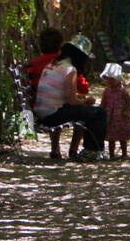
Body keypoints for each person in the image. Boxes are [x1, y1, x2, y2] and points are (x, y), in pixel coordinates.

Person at [33, 36, 106, 160]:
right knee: (99, 113)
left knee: (87, 111)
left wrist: (79, 99)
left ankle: (88, 149)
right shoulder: (70, 69)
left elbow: (62, 94)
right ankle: (92, 150)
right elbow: (72, 101)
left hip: (42, 112)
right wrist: (86, 101)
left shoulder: (53, 65)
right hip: (53, 115)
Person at [26, 28, 89, 159]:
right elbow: (82, 87)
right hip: (55, 106)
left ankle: (55, 148)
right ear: (61, 44)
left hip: (38, 105)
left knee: (60, 102)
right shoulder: (61, 63)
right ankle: (74, 149)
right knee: (82, 108)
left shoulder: (33, 64)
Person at [98, 63, 130, 158]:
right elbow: (103, 104)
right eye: (107, 79)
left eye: (112, 79)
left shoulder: (123, 91)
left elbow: (129, 103)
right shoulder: (106, 91)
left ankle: (124, 153)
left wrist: (126, 111)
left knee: (122, 137)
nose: (109, 81)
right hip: (110, 118)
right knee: (111, 138)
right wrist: (99, 112)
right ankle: (111, 154)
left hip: (121, 117)